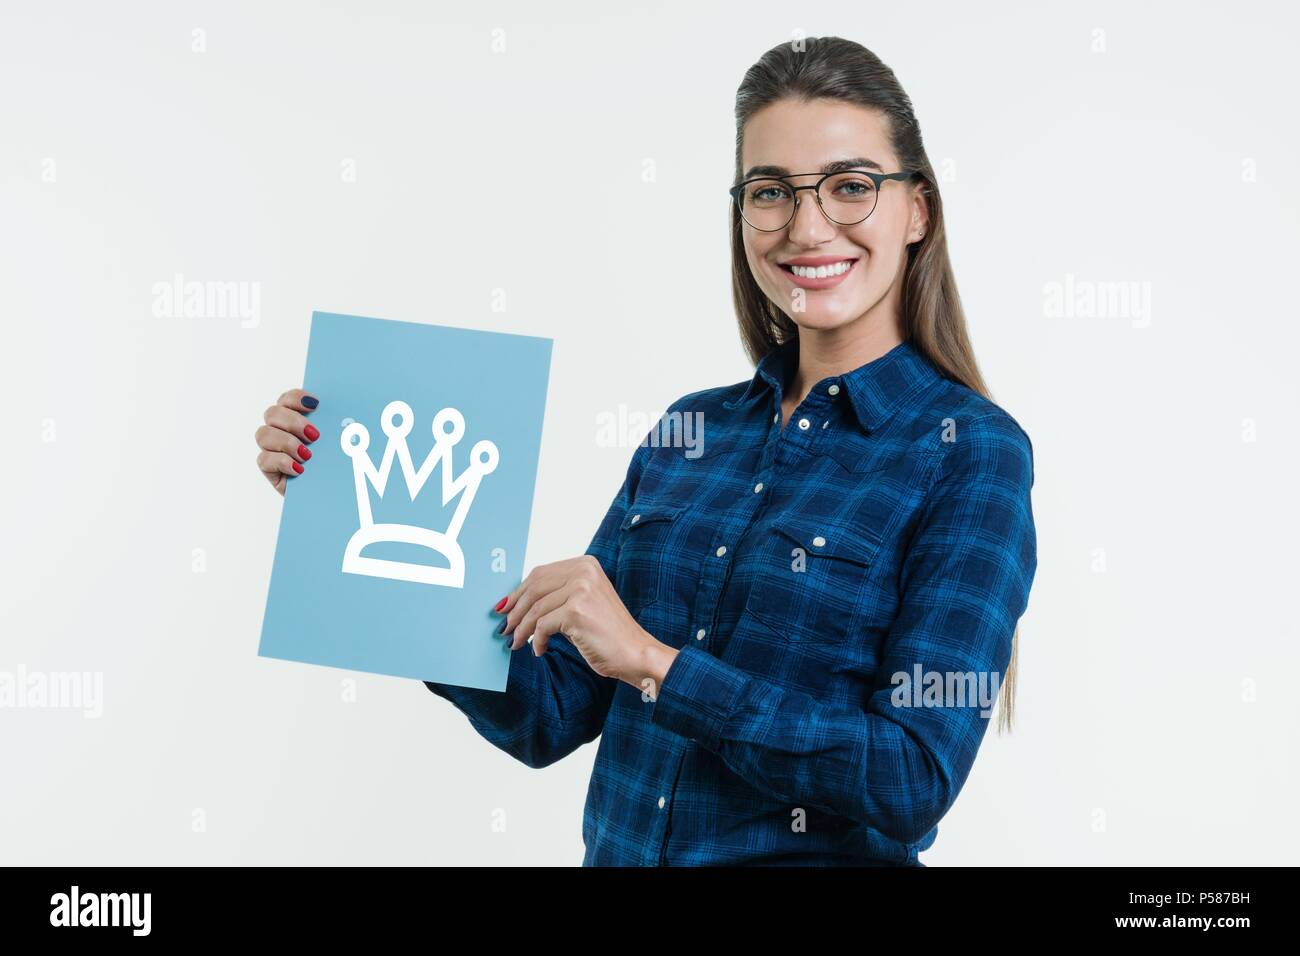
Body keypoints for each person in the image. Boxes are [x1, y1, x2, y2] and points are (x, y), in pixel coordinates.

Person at [252, 36, 1038, 866]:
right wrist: (348, 519)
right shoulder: (690, 433)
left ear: (918, 209)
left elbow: (911, 779)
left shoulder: (971, 454)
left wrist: (658, 665)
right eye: (771, 192)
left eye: (850, 186)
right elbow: (552, 714)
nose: (808, 227)